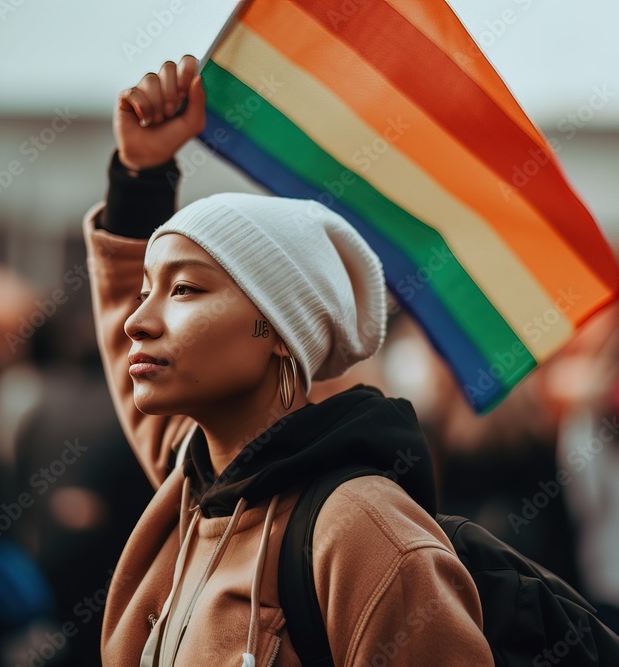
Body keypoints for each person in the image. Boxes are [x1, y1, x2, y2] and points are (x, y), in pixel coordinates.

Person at [84, 57, 492, 666]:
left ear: (279, 329)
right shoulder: (200, 490)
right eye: (145, 290)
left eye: (185, 290)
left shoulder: (365, 536)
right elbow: (130, 352)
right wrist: (141, 178)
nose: (137, 321)